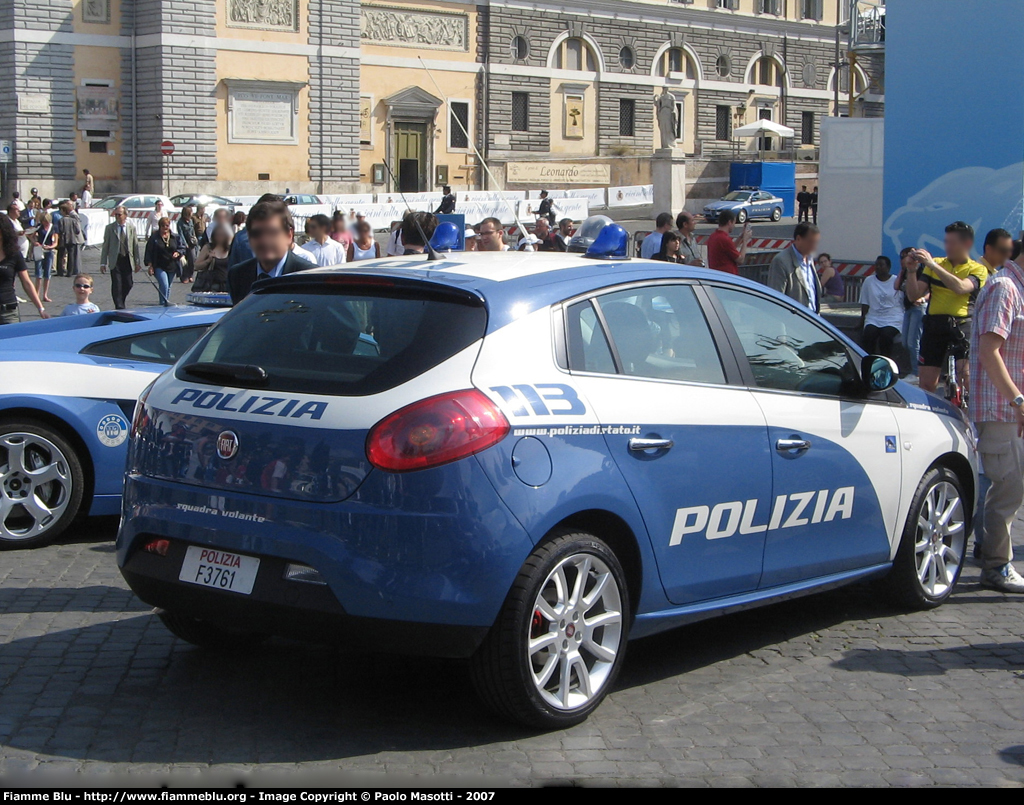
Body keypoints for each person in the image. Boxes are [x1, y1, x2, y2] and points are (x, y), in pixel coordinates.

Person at [968, 242, 1024, 592]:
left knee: (1010, 490)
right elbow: (990, 350)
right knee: (1005, 491)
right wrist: (1017, 399)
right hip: (1003, 410)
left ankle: (993, 558)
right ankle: (996, 565)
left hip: (1012, 409)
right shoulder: (1005, 288)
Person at [903, 221, 988, 394]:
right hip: (935, 325)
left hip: (962, 325)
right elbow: (914, 295)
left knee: (966, 377)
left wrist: (933, 265)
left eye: (952, 242)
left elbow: (961, 288)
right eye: (946, 241)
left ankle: (967, 413)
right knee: (926, 384)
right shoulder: (936, 263)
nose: (947, 246)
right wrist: (911, 272)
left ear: (967, 244)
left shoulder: (978, 269)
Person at [227, 200, 311, 305]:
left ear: (289, 235)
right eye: (256, 233)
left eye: (272, 232)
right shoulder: (238, 275)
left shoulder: (308, 276)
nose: (264, 240)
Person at [0, 215, 48, 324]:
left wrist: (41, 308)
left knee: (12, 340)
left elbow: (26, 283)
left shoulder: (14, 254)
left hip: (8, 311)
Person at [767, 222, 822, 312]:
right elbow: (776, 300)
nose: (814, 247)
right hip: (793, 322)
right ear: (798, 239)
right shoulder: (781, 261)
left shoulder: (809, 260)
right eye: (811, 242)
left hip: (811, 321)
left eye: (816, 243)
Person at [859, 255, 903, 359]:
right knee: (869, 335)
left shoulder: (896, 281)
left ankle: (885, 362)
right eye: (876, 265)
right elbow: (865, 302)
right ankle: (869, 362)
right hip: (874, 317)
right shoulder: (869, 281)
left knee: (886, 336)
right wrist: (862, 321)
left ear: (888, 267)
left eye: (881, 265)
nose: (878, 267)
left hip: (893, 318)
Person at [99, 206, 142, 310]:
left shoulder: (131, 228)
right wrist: (103, 263)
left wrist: (137, 262)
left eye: (119, 214)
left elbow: (135, 245)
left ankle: (121, 299)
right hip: (115, 259)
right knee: (117, 283)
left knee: (128, 283)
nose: (117, 216)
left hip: (127, 259)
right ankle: (119, 305)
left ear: (125, 215)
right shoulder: (110, 228)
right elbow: (106, 246)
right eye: (115, 214)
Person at [894, 246, 928, 377]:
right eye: (903, 257)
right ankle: (915, 370)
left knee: (913, 342)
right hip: (907, 308)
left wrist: (922, 299)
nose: (906, 259)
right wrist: (904, 270)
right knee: (905, 342)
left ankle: (917, 372)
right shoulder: (906, 272)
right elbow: (896, 286)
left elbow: (930, 289)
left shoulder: (922, 270)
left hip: (918, 308)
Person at [144, 217, 182, 306]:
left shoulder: (175, 236)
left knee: (168, 287)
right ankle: (163, 303)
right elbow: (148, 251)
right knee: (164, 284)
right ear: (159, 226)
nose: (165, 227)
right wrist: (150, 265)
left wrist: (178, 252)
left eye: (167, 225)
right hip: (159, 265)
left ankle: (165, 303)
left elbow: (182, 248)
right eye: (163, 226)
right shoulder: (154, 237)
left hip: (172, 265)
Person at [706, 210, 749, 275]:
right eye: (734, 223)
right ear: (729, 222)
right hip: (727, 277)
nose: (734, 226)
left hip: (717, 275)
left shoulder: (713, 236)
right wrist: (745, 241)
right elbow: (740, 260)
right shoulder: (724, 239)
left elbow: (730, 249)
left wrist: (741, 237)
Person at [193, 224, 232, 292]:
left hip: (227, 286)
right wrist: (208, 260)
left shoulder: (231, 249)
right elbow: (196, 266)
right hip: (211, 286)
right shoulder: (208, 247)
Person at [33, 212, 58, 304]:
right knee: (38, 274)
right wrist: (35, 242)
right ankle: (36, 294)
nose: (45, 223)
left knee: (47, 274)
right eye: (43, 221)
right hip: (40, 250)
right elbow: (30, 235)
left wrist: (50, 247)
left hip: (49, 251)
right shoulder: (39, 227)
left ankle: (45, 295)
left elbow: (56, 242)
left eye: (46, 221)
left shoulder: (54, 227)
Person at [58, 201, 84, 277]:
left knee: (61, 255)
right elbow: (77, 230)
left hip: (63, 239)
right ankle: (70, 271)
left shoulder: (61, 220)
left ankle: (60, 271)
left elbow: (61, 230)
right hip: (72, 239)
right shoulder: (73, 220)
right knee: (71, 256)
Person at [177, 205, 199, 283]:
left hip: (192, 243)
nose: (192, 214)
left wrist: (195, 239)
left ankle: (190, 275)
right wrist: (184, 244)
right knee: (184, 262)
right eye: (190, 212)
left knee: (192, 260)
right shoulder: (180, 222)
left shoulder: (191, 221)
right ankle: (184, 276)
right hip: (184, 244)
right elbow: (181, 234)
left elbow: (193, 231)